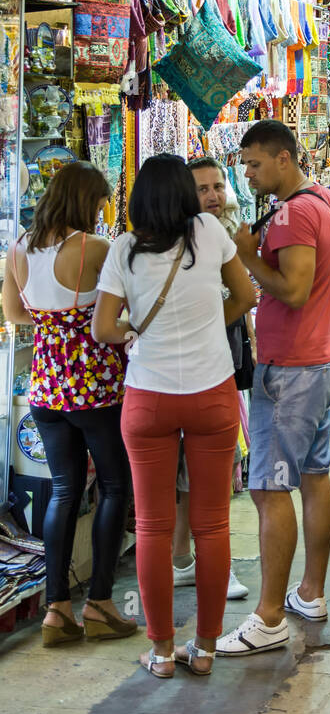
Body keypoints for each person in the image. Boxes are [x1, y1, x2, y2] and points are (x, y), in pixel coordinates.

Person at [93, 155, 256, 679]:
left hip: (148, 400)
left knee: (154, 527)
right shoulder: (209, 231)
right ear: (187, 196)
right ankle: (205, 648)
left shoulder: (123, 249)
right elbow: (247, 294)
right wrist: (210, 323)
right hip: (213, 394)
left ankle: (161, 652)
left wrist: (135, 331)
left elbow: (102, 327)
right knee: (213, 525)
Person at [216, 120, 330, 656]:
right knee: (314, 475)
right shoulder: (324, 201)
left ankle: (269, 617)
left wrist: (246, 256)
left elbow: (293, 290)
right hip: (318, 359)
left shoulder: (294, 213)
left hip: (292, 366)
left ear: (284, 159)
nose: (245, 174)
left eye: (252, 163)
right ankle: (309, 593)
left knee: (270, 489)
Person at [2, 163, 134, 648]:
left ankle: (57, 608)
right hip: (96, 386)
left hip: (45, 387)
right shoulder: (97, 249)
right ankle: (99, 602)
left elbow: (15, 313)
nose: (104, 210)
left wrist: (52, 323)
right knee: (115, 486)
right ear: (86, 200)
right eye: (101, 201)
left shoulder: (17, 250)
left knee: (63, 490)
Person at [168, 157, 251, 601]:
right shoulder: (185, 239)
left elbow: (243, 303)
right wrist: (214, 324)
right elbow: (244, 296)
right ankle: (207, 563)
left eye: (219, 186)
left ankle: (184, 560)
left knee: (196, 474)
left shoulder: (220, 232)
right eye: (203, 189)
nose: (215, 195)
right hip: (193, 374)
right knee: (204, 475)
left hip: (221, 364)